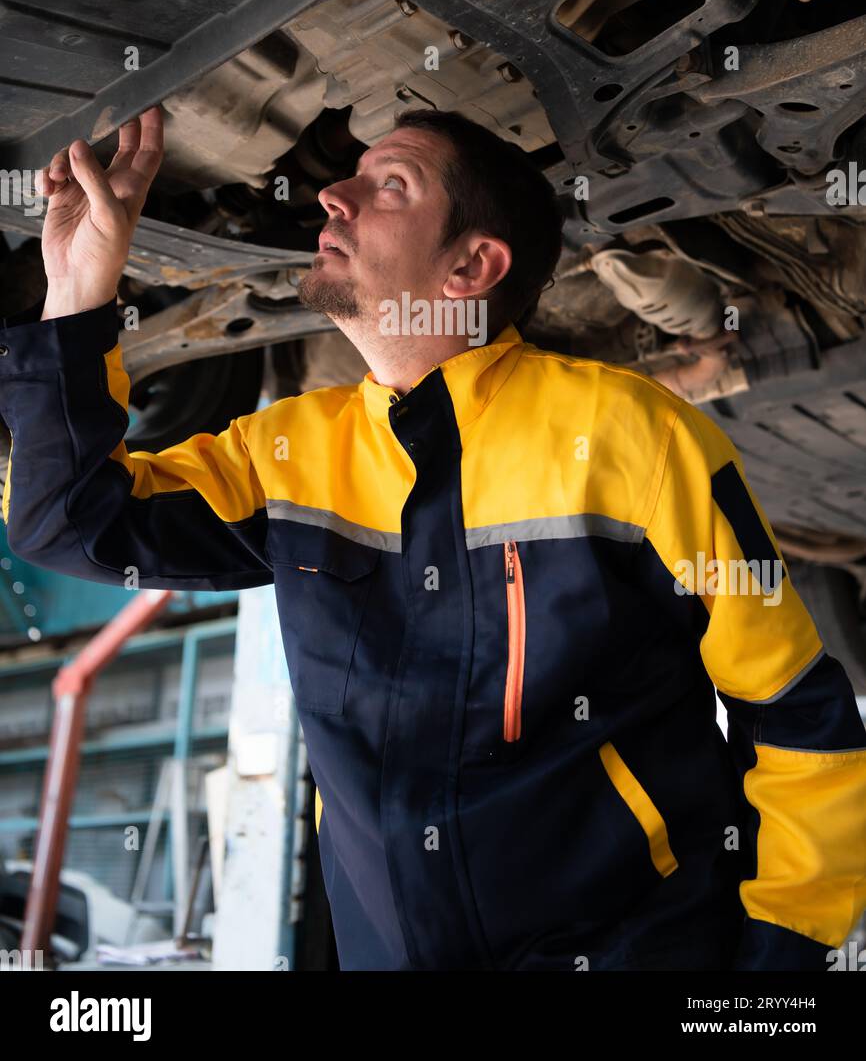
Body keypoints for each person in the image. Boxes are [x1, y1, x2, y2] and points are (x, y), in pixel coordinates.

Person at [0, 104, 864, 972]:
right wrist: (77, 294)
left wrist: (778, 966)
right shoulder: (289, 454)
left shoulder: (632, 437)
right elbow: (69, 525)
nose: (332, 194)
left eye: (390, 185)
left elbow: (794, 713)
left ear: (470, 267)